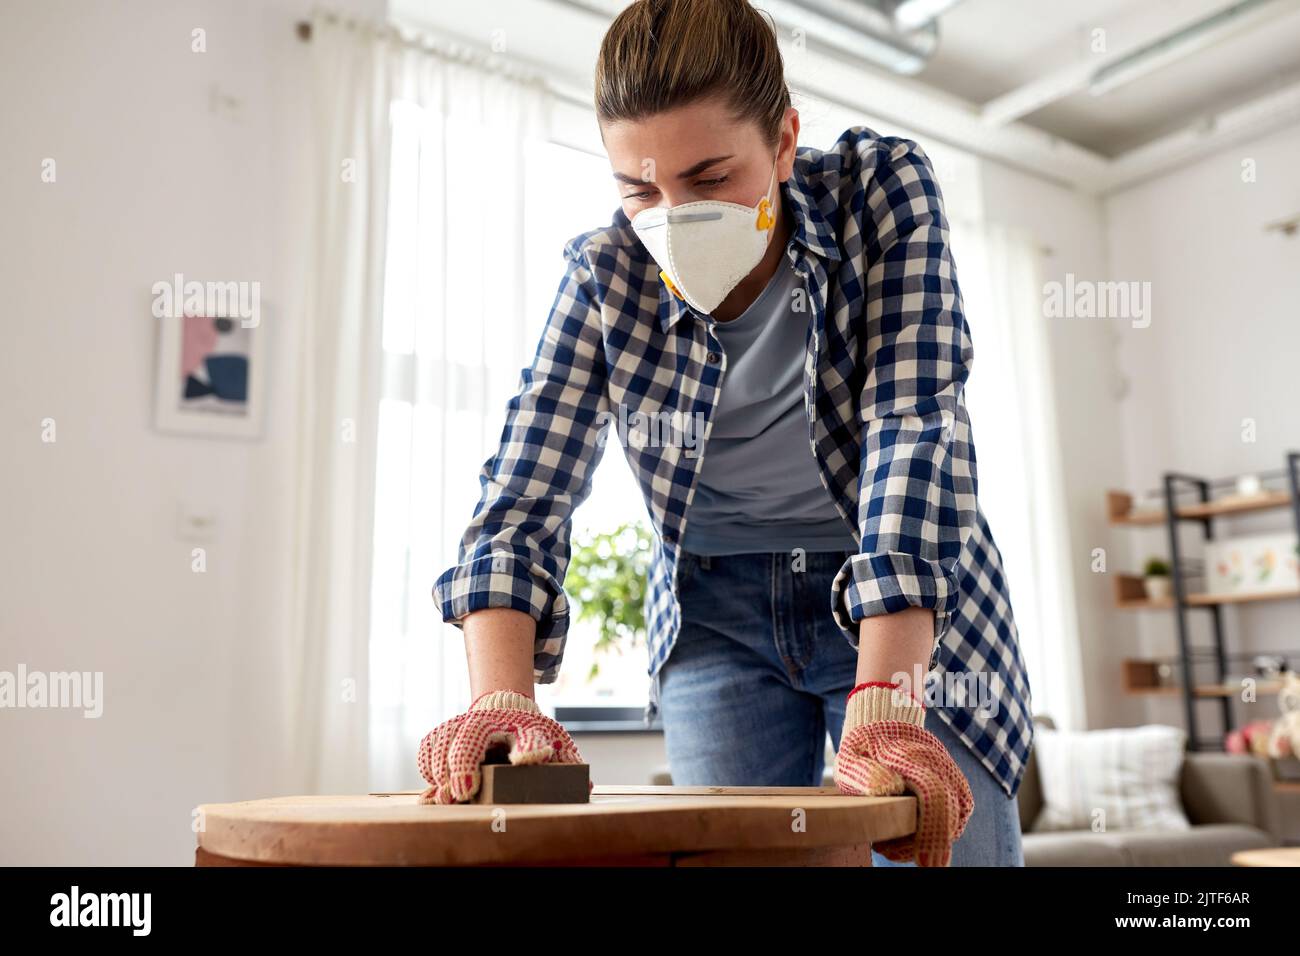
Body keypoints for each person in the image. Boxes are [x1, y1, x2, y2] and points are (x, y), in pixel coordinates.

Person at [419, 0, 1033, 868]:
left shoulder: (878, 193)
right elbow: (522, 493)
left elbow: (914, 423)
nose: (672, 214)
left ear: (783, 141)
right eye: (640, 188)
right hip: (719, 619)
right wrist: (501, 703)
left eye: (710, 178)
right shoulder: (604, 277)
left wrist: (888, 697)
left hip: (898, 602)